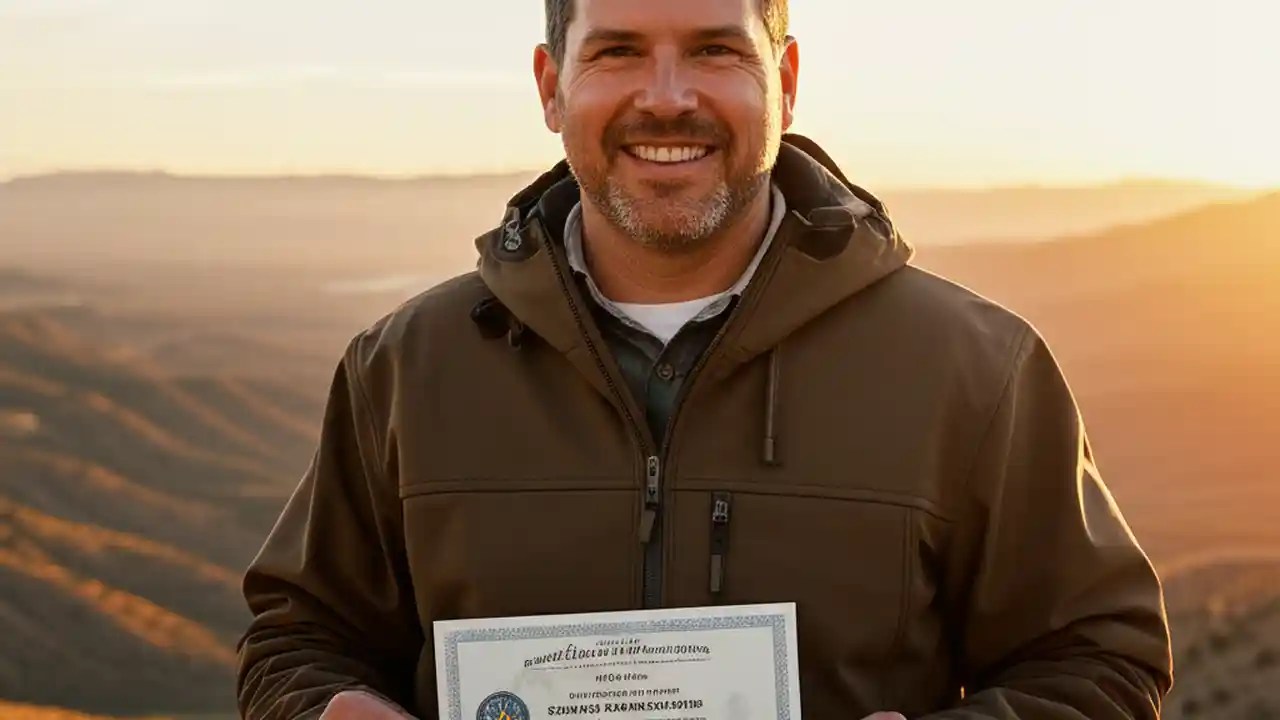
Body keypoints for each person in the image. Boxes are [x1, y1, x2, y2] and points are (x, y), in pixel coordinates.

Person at [235, 0, 1174, 717]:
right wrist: (320, 707)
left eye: (717, 49)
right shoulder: (405, 367)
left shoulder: (975, 368)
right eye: (618, 50)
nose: (668, 96)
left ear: (786, 78)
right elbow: (298, 636)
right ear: (550, 84)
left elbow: (1102, 654)